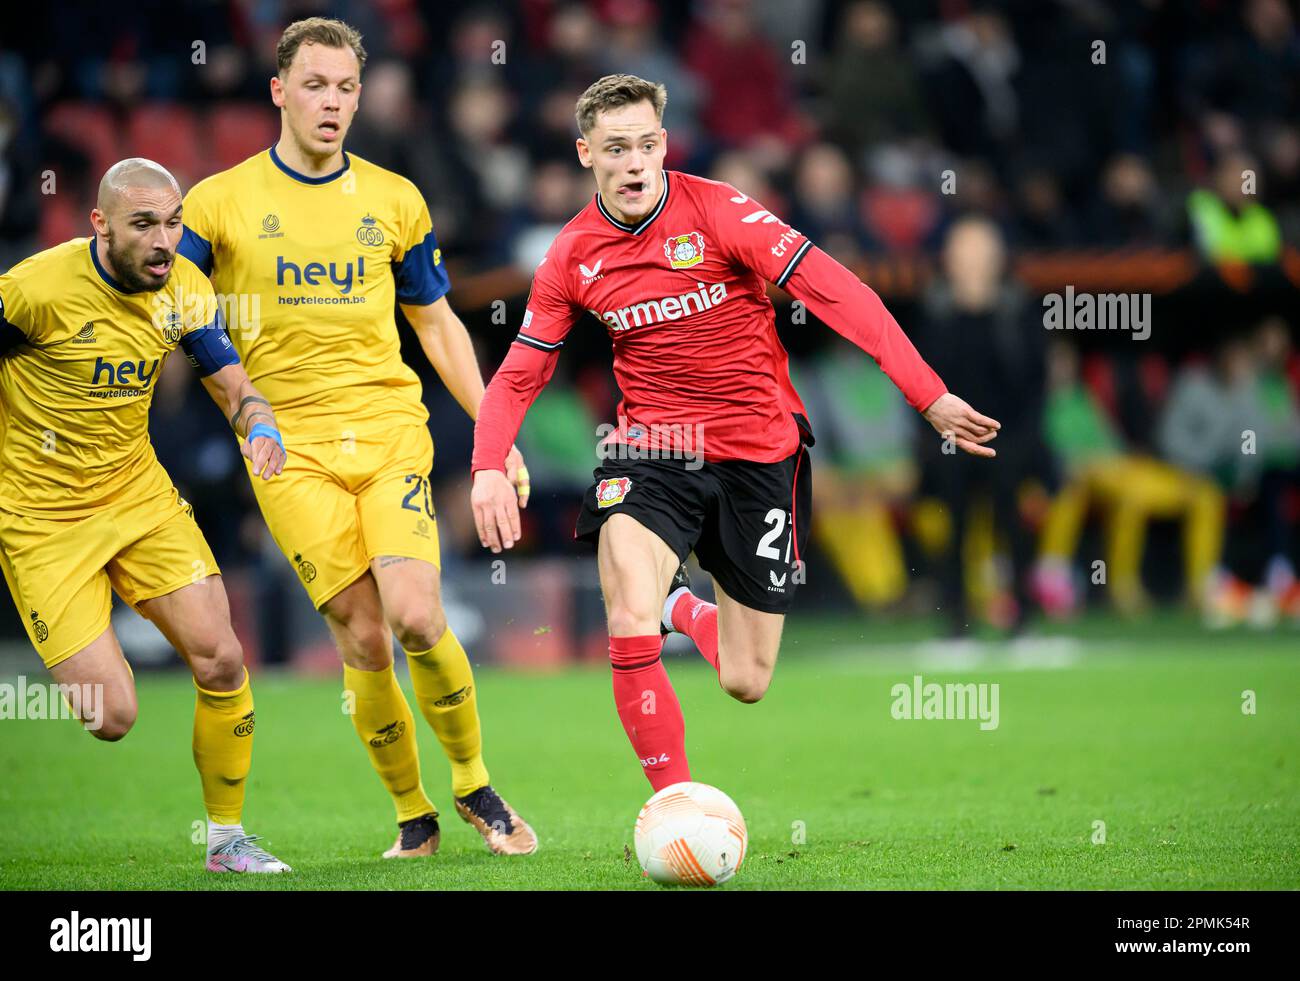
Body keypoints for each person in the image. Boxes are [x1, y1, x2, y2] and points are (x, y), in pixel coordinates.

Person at [470, 74, 999, 790]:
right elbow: (518, 374)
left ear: (664, 145)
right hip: (655, 447)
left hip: (759, 452)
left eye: (646, 145)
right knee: (627, 606)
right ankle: (676, 801)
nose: (633, 163)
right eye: (616, 148)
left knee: (748, 678)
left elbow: (838, 291)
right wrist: (488, 464)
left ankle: (683, 606)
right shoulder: (571, 256)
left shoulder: (720, 211)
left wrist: (927, 394)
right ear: (585, 152)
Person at [177, 17, 537, 858]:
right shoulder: (218, 202)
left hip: (386, 431)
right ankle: (414, 815)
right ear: (278, 91)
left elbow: (440, 323)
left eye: (345, 87)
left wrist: (496, 428)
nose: (331, 102)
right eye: (314, 85)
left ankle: (475, 782)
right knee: (363, 634)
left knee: (415, 616)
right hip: (284, 448)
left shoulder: (393, 198)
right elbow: (174, 307)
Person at [0, 158, 290, 873]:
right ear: (99, 224)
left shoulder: (183, 288)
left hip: (137, 499)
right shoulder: (34, 291)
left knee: (223, 658)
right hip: (42, 522)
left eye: (173, 222)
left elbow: (232, 382)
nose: (165, 240)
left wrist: (259, 424)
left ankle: (225, 843)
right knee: (112, 716)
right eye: (144, 224)